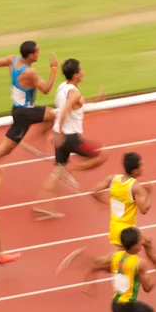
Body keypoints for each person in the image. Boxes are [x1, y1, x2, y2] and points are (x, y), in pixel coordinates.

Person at [89, 152, 156, 285]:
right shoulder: (135, 187)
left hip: (114, 227)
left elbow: (94, 191)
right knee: (116, 263)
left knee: (146, 244)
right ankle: (90, 264)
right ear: (135, 171)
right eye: (142, 166)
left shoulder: (112, 179)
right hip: (127, 229)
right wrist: (151, 192)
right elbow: (144, 209)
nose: (143, 168)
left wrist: (108, 204)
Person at [32, 58, 108, 220]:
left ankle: (43, 205)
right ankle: (72, 170)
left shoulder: (63, 87)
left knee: (57, 172)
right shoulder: (74, 93)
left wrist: (94, 100)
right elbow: (66, 108)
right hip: (70, 138)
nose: (83, 72)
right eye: (81, 70)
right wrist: (58, 131)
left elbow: (73, 106)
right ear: (76, 75)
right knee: (103, 155)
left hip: (62, 138)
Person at [0, 40, 58, 162]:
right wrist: (54, 69)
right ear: (31, 56)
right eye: (37, 52)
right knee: (56, 116)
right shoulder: (30, 72)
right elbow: (45, 89)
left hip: (18, 111)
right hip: (26, 112)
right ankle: (36, 141)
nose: (39, 54)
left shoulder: (12, 60)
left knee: (4, 149)